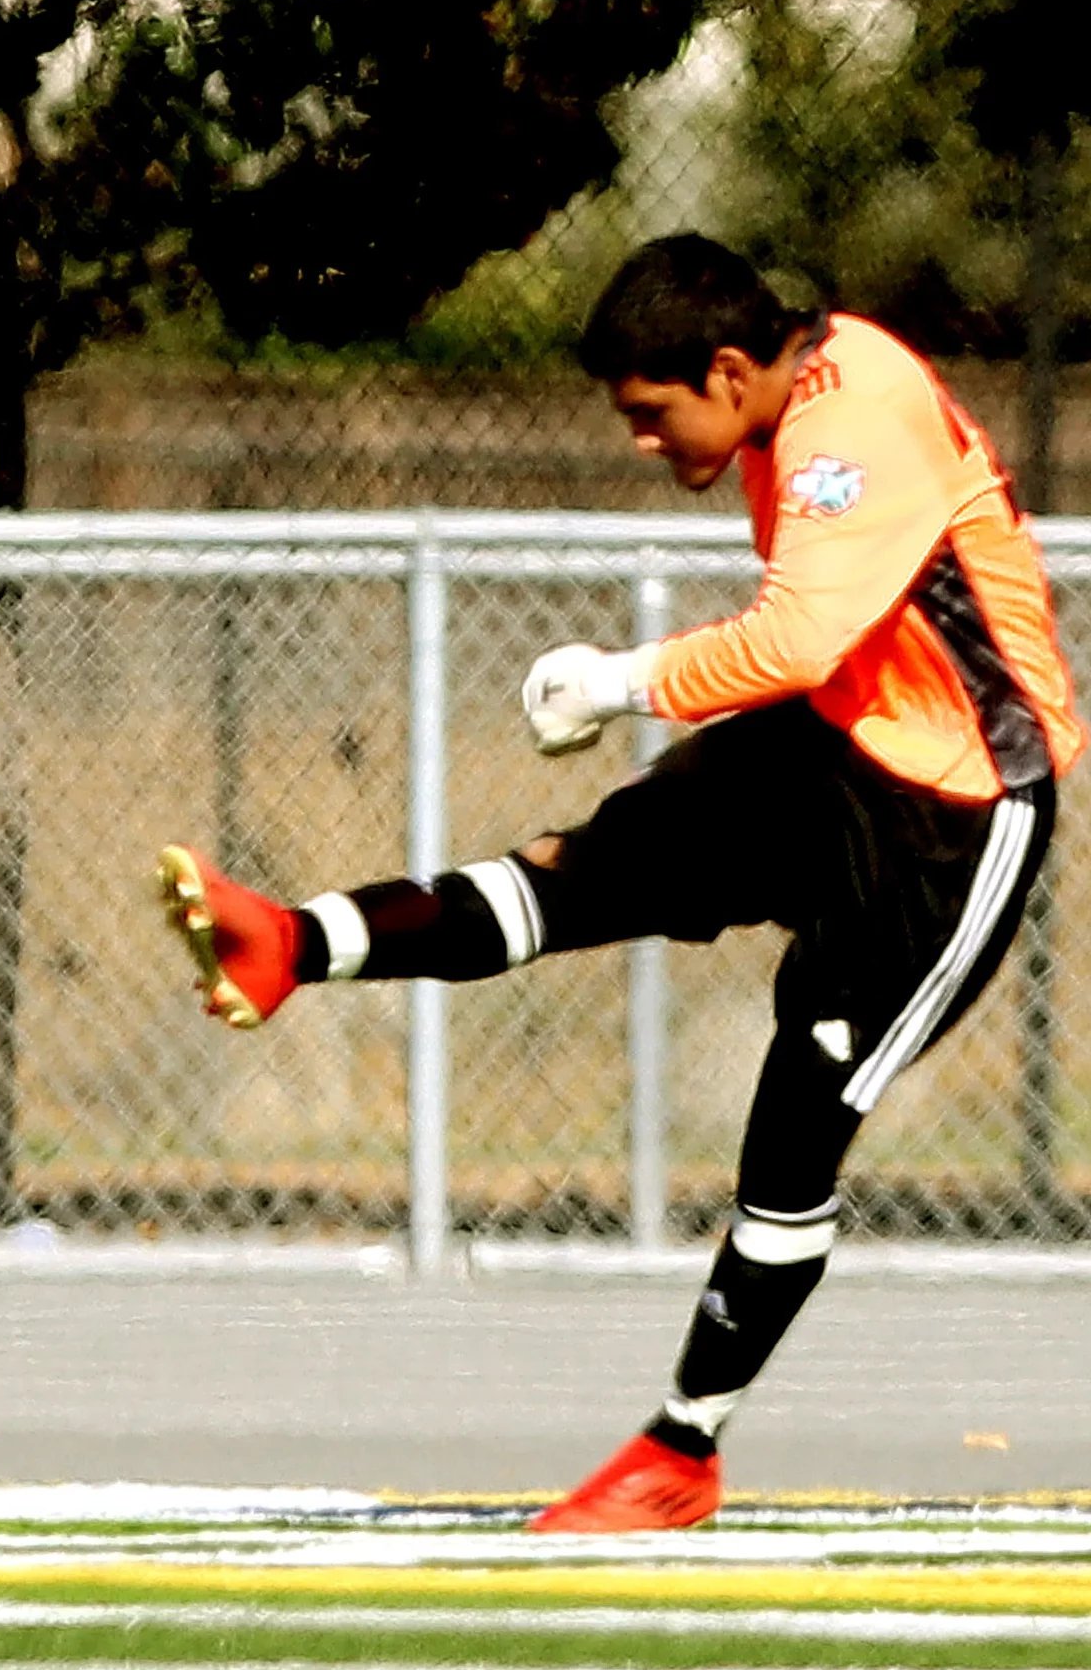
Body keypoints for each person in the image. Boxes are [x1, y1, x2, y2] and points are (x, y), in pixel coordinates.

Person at [158, 233, 1082, 1533]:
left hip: (956, 809)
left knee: (802, 1108)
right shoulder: (794, 398)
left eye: (652, 412)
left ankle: (682, 1448)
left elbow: (800, 633)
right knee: (578, 873)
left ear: (725, 366)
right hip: (834, 744)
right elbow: (823, 646)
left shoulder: (849, 415)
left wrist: (616, 680)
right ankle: (287, 942)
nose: (641, 440)